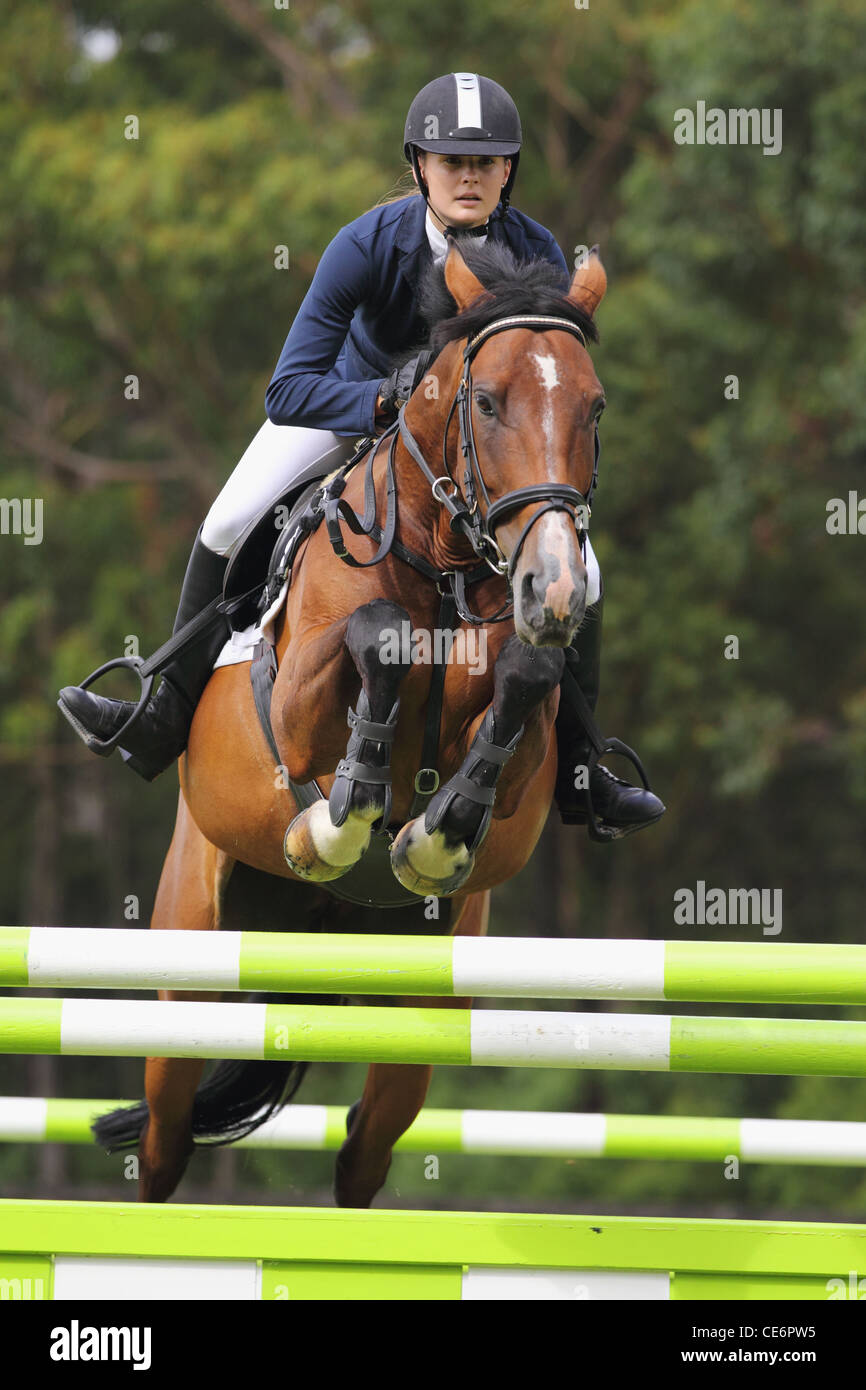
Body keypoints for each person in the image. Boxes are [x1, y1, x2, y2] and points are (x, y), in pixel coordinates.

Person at [58, 72, 664, 838]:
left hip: (470, 446)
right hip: (351, 410)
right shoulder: (367, 245)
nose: (469, 176)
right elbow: (289, 390)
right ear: (419, 166)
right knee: (229, 517)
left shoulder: (534, 249)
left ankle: (581, 767)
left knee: (588, 570)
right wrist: (388, 398)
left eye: (486, 162)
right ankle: (163, 707)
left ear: (509, 169)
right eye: (451, 161)